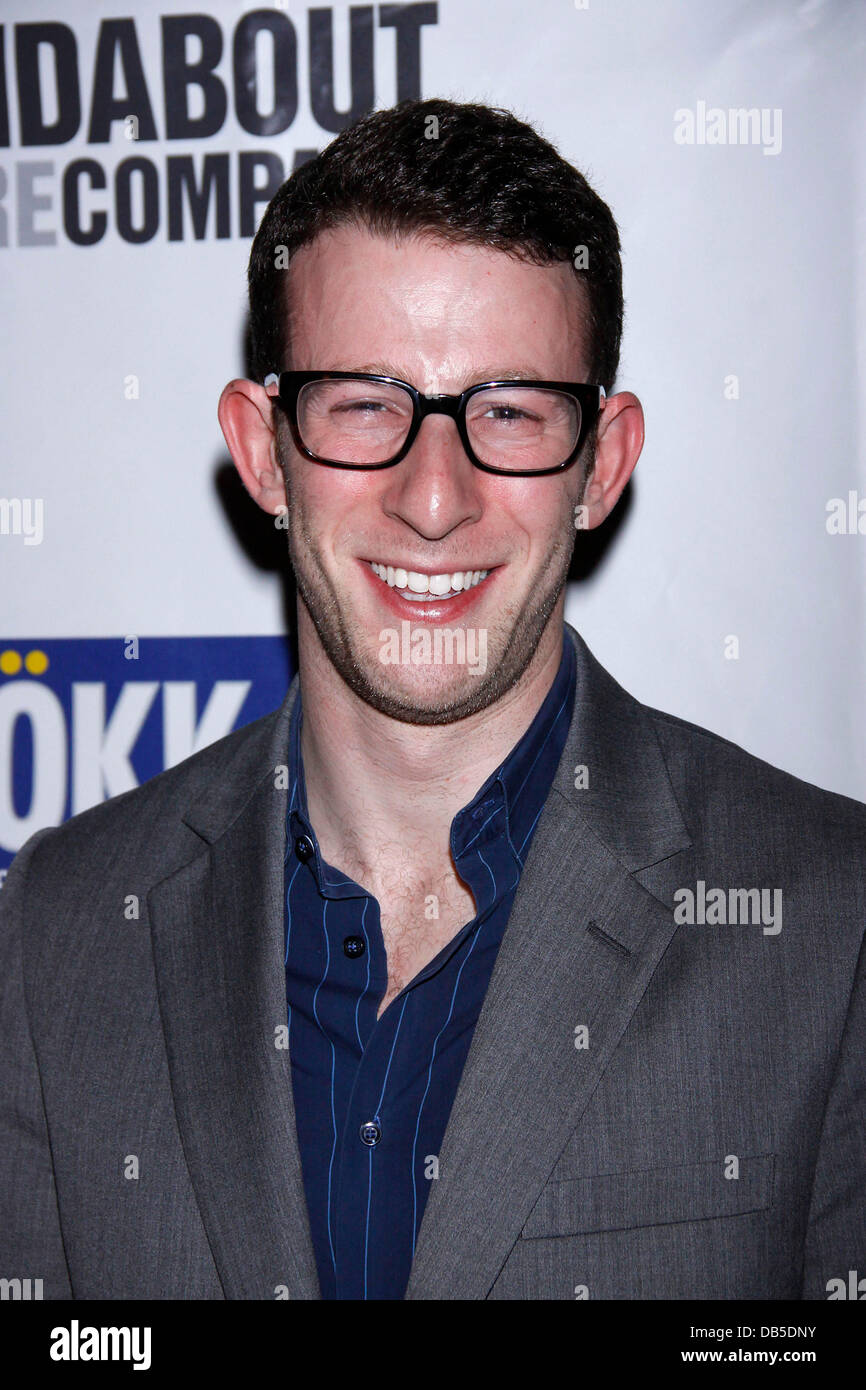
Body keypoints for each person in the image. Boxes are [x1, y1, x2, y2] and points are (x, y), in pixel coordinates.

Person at [1, 98, 864, 1302]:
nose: (432, 495)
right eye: (364, 403)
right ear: (262, 451)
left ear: (600, 463)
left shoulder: (831, 923)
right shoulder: (60, 932)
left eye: (507, 413)